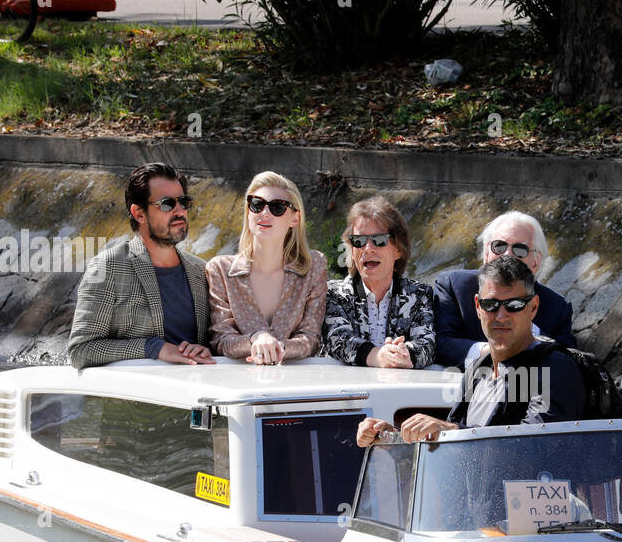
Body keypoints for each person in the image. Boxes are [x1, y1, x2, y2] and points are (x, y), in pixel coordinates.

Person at [357, 255, 585, 446]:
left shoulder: (554, 367)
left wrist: (451, 429)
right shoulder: (479, 369)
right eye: (491, 305)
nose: (501, 316)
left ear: (533, 307)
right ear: (478, 307)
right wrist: (391, 437)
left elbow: (536, 448)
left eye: (514, 305)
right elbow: (451, 448)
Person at [68, 163, 215, 369]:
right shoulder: (108, 267)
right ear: (139, 213)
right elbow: (80, 351)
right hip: (136, 397)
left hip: (192, 396)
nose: (179, 211)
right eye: (167, 204)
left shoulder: (201, 271)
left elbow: (216, 340)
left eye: (183, 202)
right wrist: (153, 348)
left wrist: (206, 349)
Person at [206, 172, 327, 364]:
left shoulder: (313, 266)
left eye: (277, 207)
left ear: (295, 218)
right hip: (237, 382)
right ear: (248, 211)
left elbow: (311, 339)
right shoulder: (220, 270)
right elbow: (221, 340)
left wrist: (277, 348)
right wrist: (257, 338)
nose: (264, 213)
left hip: (294, 383)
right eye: (257, 204)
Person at [432, 211, 576, 368]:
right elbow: (440, 343)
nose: (507, 255)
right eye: (499, 246)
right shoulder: (455, 286)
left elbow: (568, 361)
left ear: (536, 262)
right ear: (486, 254)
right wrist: (492, 352)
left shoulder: (557, 307)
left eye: (520, 249)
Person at [322, 197, 435, 369]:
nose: (368, 248)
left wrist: (405, 354)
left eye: (379, 240)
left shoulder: (419, 295)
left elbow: (427, 344)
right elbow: (337, 339)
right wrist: (377, 355)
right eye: (359, 241)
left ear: (398, 249)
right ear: (351, 250)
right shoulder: (333, 293)